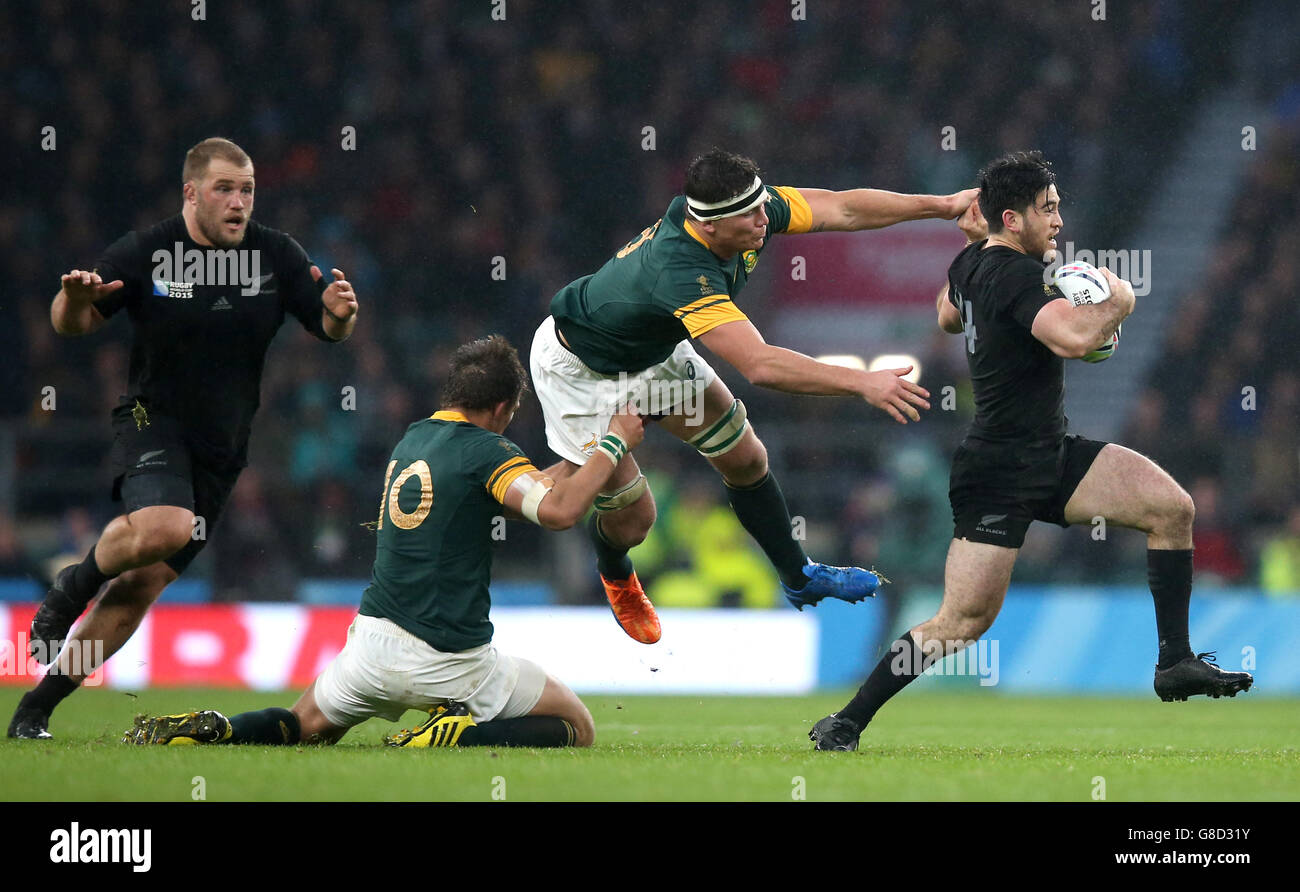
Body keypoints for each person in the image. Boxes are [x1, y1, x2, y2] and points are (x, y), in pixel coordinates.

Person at [809, 151, 1253, 751]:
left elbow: (944, 316)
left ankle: (1175, 661)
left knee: (1171, 509)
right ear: (1012, 219)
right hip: (997, 470)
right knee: (963, 622)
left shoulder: (973, 264)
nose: (1059, 220)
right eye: (1048, 209)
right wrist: (1117, 300)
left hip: (1051, 452)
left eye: (1059, 207)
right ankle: (848, 721)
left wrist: (978, 247)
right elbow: (1072, 337)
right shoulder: (1011, 275)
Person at [531, 148, 978, 643]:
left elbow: (843, 208)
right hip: (583, 373)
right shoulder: (679, 271)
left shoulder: (743, 212)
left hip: (649, 352)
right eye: (752, 215)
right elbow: (759, 365)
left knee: (745, 457)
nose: (766, 219)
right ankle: (615, 571)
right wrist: (861, 382)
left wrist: (944, 204)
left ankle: (797, 574)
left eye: (764, 205)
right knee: (636, 521)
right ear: (710, 227)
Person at [124, 335, 642, 748]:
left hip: (370, 647)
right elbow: (559, 511)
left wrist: (581, 459)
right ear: (504, 407)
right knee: (576, 725)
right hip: (450, 661)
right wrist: (615, 442)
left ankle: (223, 728)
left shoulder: (414, 438)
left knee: (300, 726)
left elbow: (533, 490)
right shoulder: (488, 451)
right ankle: (459, 733)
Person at [8, 137, 360, 740]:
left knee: (143, 585)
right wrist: (73, 298)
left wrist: (339, 313)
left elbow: (327, 327)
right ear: (191, 193)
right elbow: (72, 325)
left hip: (223, 450)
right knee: (165, 527)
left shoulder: (276, 254)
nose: (238, 201)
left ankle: (34, 710)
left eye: (247, 188)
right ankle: (73, 585)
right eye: (225, 188)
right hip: (152, 420)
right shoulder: (148, 250)